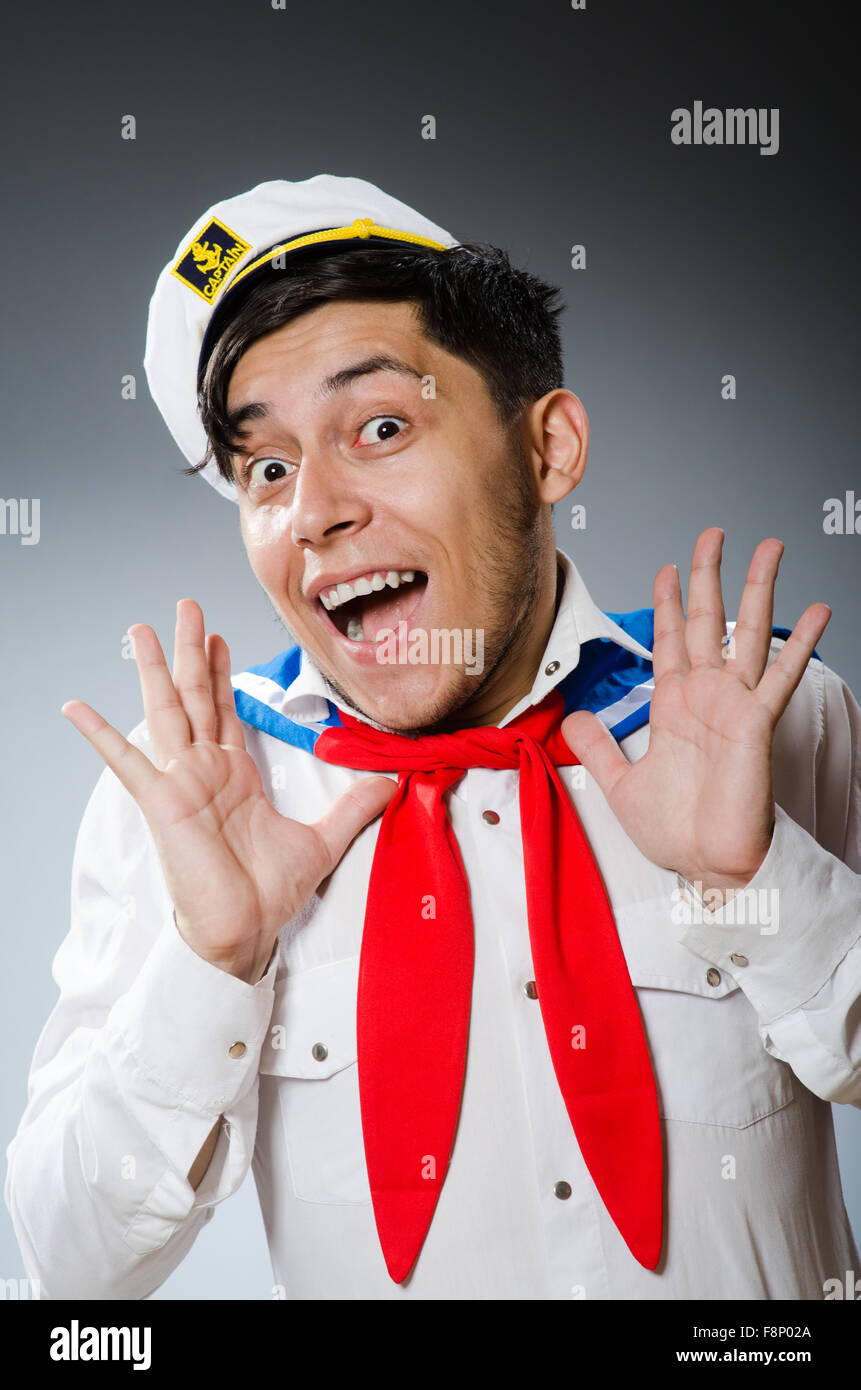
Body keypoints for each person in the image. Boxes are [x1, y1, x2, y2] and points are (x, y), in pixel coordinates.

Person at [6, 175, 860, 1300]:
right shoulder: (190, 804)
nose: (314, 509)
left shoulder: (771, 720)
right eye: (266, 466)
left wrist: (758, 882)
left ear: (548, 447)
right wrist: (212, 963)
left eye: (381, 427)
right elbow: (68, 1268)